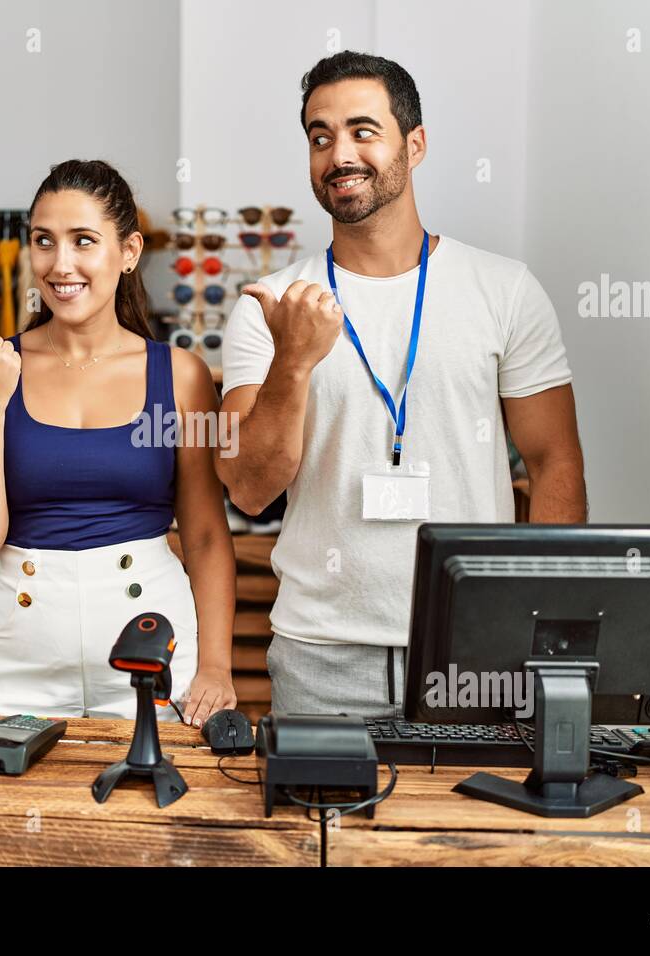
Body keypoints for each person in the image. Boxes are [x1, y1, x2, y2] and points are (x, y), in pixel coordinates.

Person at [217, 51, 585, 717]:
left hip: (477, 647)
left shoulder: (504, 290)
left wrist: (543, 621)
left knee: (473, 824)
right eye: (319, 136)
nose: (339, 155)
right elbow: (248, 485)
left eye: (363, 130)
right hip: (321, 652)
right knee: (322, 825)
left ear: (413, 145)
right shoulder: (269, 305)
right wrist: (292, 362)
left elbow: (554, 459)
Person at [0, 159, 236, 725]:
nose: (60, 264)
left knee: (150, 805)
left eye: (84, 241)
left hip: (152, 646)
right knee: (7, 807)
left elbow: (206, 536)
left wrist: (216, 663)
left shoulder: (183, 375)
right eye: (44, 241)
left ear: (129, 251)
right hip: (18, 651)